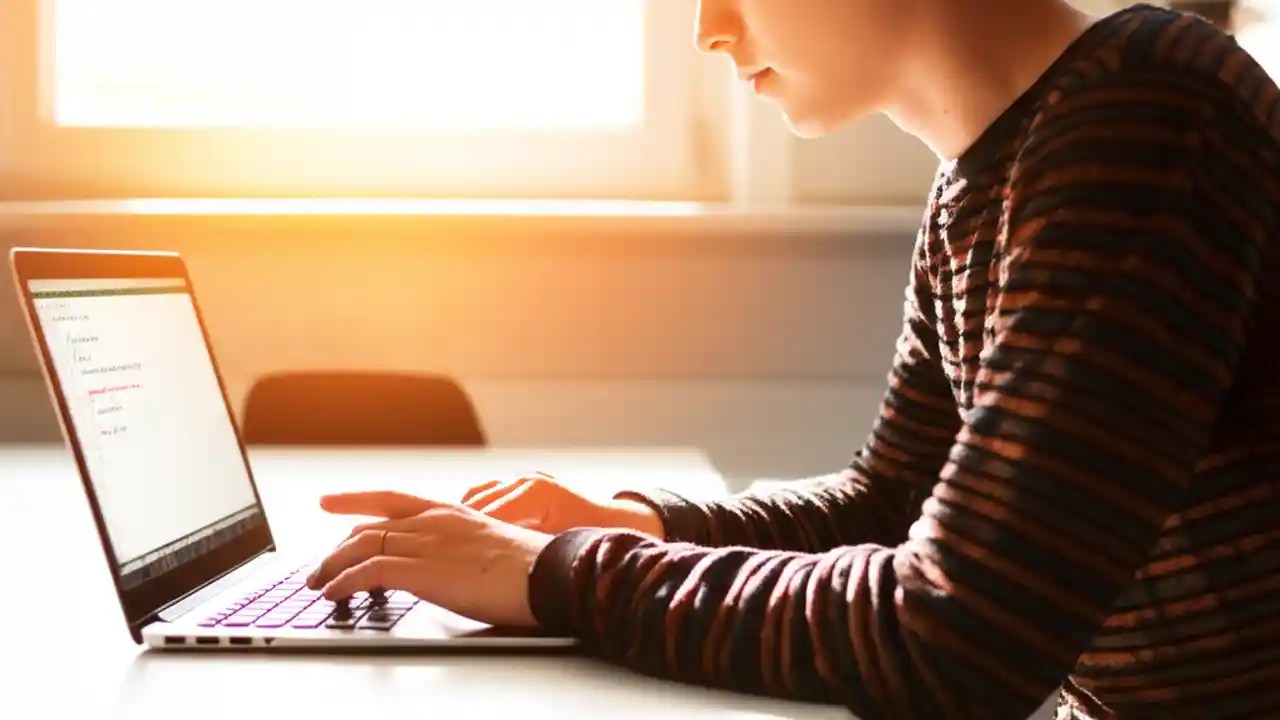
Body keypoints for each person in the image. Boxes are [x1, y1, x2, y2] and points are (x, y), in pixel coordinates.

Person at [305, 1, 1280, 717]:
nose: (708, 30)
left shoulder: (1147, 117)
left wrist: (555, 574)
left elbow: (955, 637)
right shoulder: (996, 172)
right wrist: (645, 523)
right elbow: (894, 500)